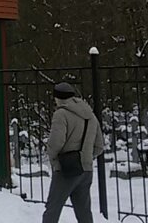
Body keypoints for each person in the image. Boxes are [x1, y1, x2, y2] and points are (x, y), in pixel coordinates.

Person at [43, 82, 105, 223]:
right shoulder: (91, 116)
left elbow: (55, 143)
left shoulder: (61, 114)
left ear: (57, 98)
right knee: (84, 212)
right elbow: (99, 146)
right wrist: (86, 157)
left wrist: (54, 159)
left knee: (52, 210)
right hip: (86, 170)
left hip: (66, 169)